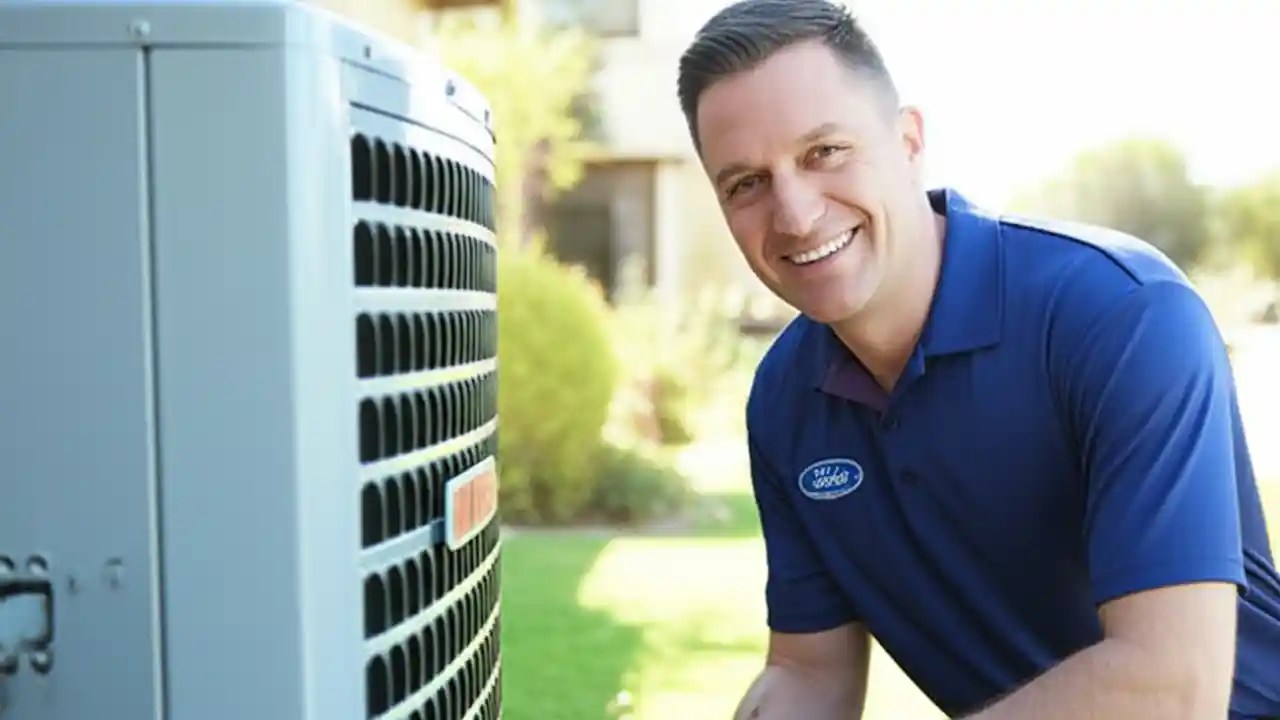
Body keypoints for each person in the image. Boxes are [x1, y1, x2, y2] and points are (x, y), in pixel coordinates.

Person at [675, 1, 1280, 718]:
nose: (796, 214)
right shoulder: (783, 398)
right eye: (746, 183)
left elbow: (1171, 686)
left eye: (824, 152)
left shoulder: (1120, 314)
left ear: (907, 141)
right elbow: (809, 672)